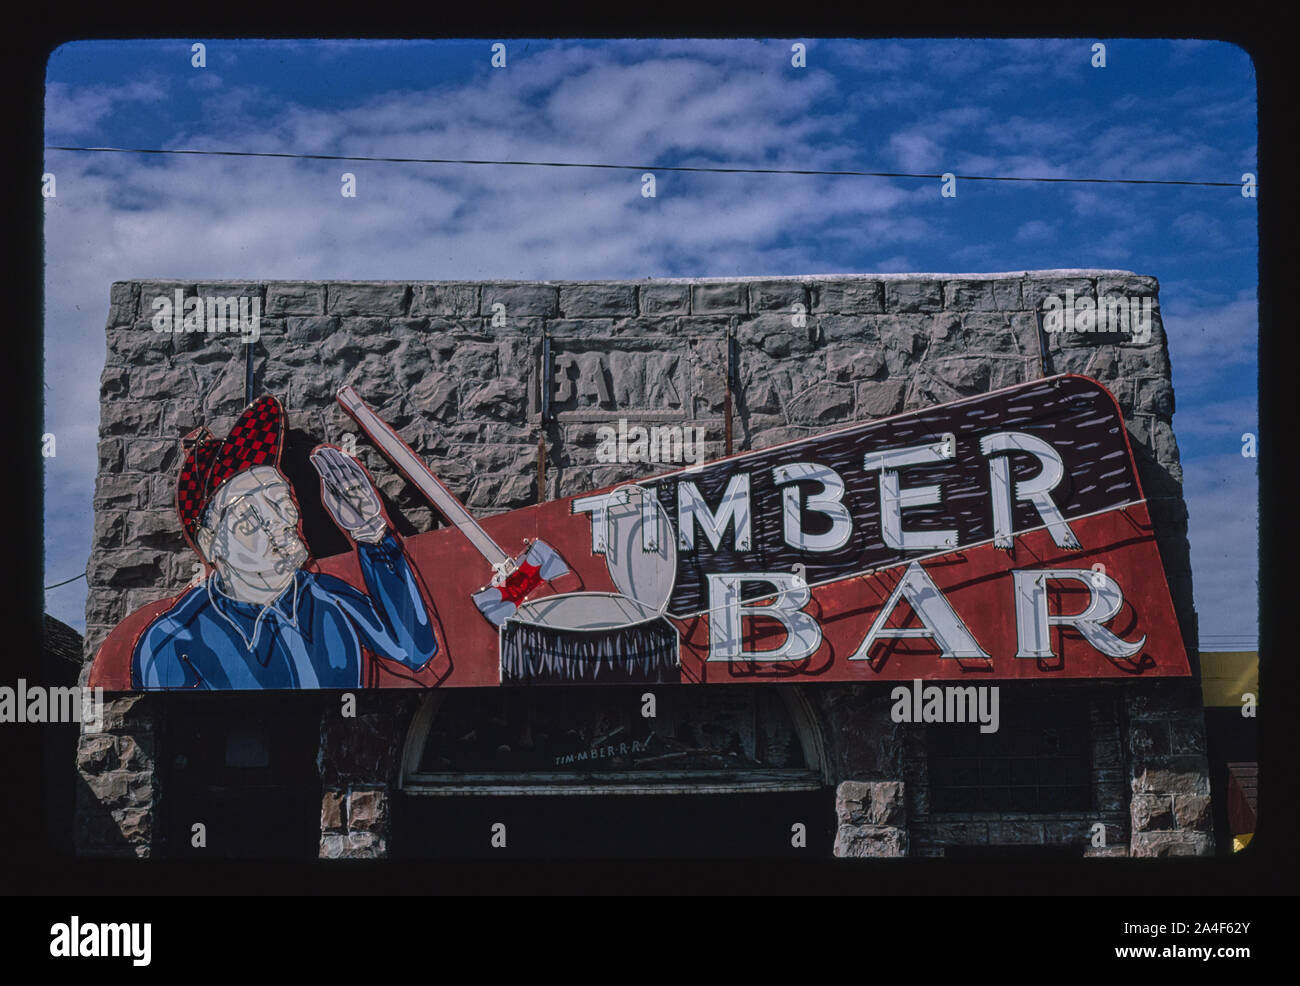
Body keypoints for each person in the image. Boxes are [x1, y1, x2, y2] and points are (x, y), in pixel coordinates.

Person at [130, 394, 438, 689]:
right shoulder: (173, 643)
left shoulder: (326, 597)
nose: (278, 524)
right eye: (250, 518)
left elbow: (413, 649)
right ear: (212, 544)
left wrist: (373, 535)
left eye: (280, 501)